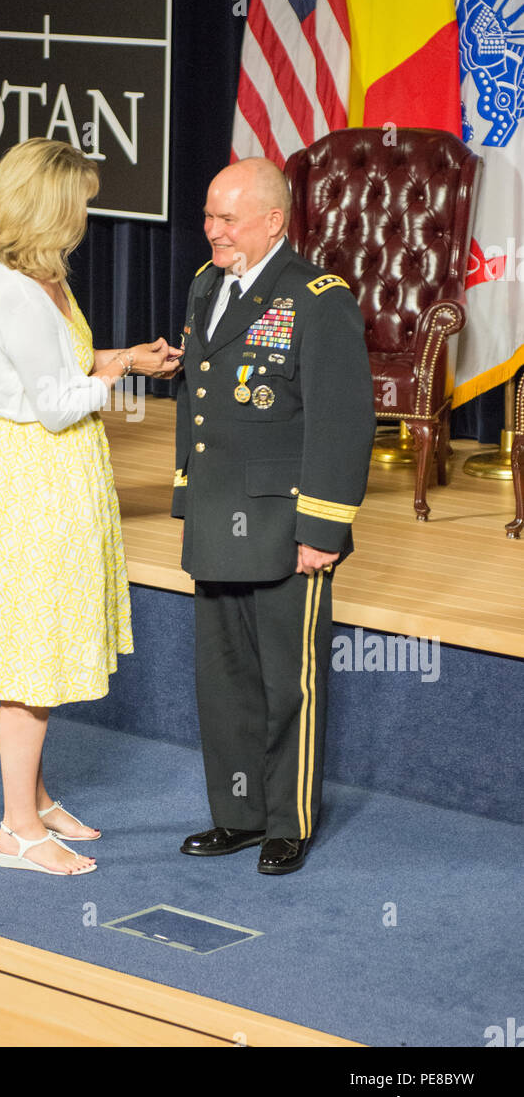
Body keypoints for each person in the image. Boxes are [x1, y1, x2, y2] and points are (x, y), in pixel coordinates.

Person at [0, 137, 182, 876]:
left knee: (42, 640)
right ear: (48, 204)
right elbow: (51, 408)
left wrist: (116, 358)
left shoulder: (44, 275)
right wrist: (123, 375)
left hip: (60, 467)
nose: (86, 210)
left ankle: (37, 799)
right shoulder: (13, 288)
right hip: (33, 472)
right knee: (31, 654)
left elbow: (62, 369)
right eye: (79, 197)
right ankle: (16, 831)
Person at [172, 158, 375, 874]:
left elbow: (341, 422)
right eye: (207, 216)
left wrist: (321, 531)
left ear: (272, 220)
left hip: (286, 526)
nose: (212, 231)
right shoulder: (205, 285)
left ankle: (287, 822)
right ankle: (237, 815)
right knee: (223, 680)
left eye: (227, 218)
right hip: (217, 514)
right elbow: (196, 407)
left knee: (289, 682)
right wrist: (185, 493)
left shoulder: (316, 297)